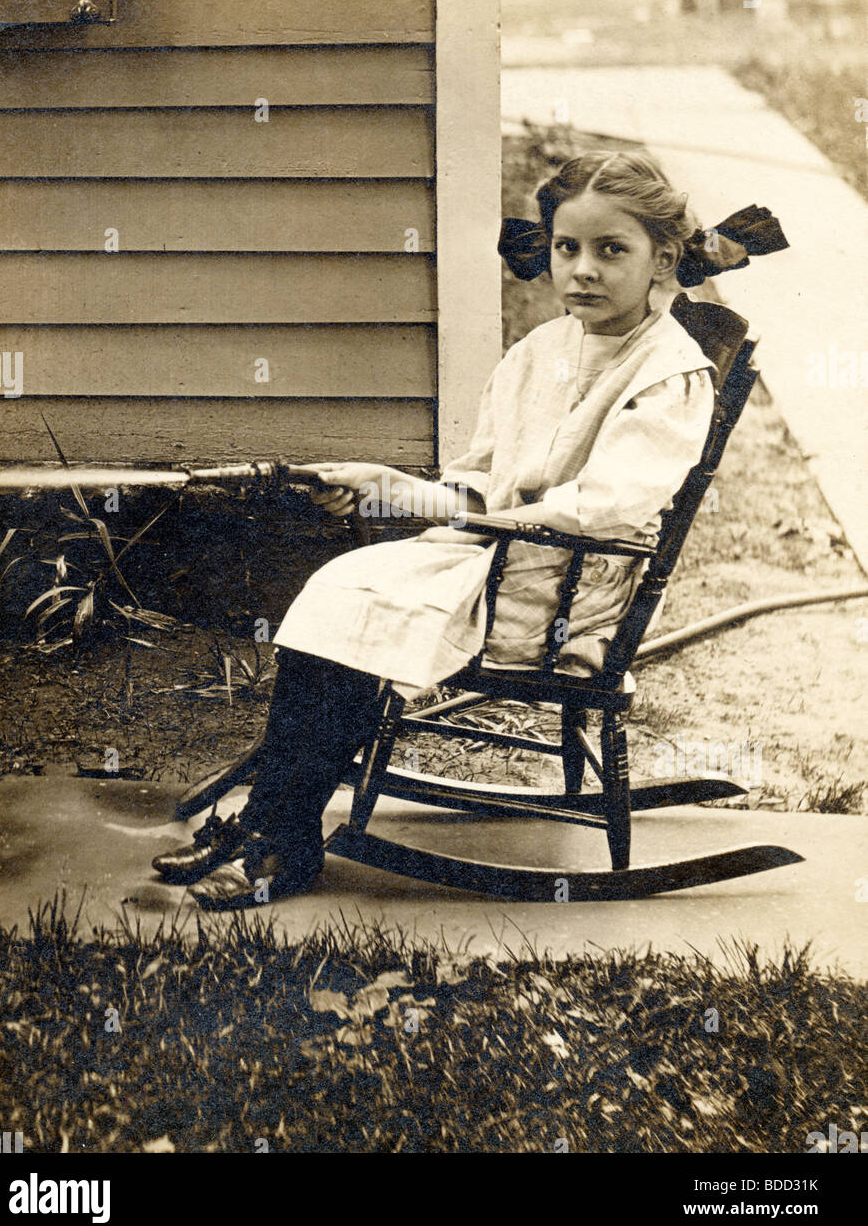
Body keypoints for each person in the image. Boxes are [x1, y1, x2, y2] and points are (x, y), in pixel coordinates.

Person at [152, 150, 786, 899]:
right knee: (341, 589)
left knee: (357, 601)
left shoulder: (668, 374)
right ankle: (277, 825)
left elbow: (603, 507)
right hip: (499, 558)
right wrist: (387, 490)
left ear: (663, 260)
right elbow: (483, 478)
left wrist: (464, 517)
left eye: (611, 250)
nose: (582, 270)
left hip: (557, 599)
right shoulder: (539, 352)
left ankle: (277, 832)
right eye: (566, 248)